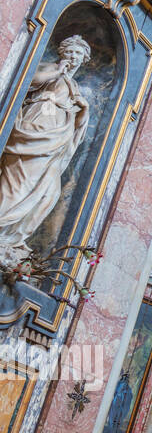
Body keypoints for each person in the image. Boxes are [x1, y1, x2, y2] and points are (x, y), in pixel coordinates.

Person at [0, 36, 93, 269]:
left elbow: (78, 128)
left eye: (78, 54)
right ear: (62, 53)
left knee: (49, 193)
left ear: (84, 59)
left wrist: (84, 109)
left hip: (57, 140)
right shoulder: (52, 68)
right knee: (18, 183)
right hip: (35, 128)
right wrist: (56, 72)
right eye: (70, 52)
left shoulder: (76, 87)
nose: (73, 58)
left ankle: (13, 239)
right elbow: (30, 79)